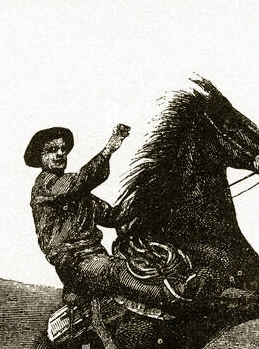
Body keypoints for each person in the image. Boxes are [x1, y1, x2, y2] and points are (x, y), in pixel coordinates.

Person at [26, 124, 194, 312]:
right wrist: (108, 151)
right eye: (52, 150)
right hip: (74, 264)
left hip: (95, 259)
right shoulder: (46, 185)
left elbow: (113, 216)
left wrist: (145, 198)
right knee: (118, 270)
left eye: (63, 149)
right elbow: (84, 179)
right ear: (40, 157)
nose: (60, 154)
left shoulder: (78, 194)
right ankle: (172, 296)